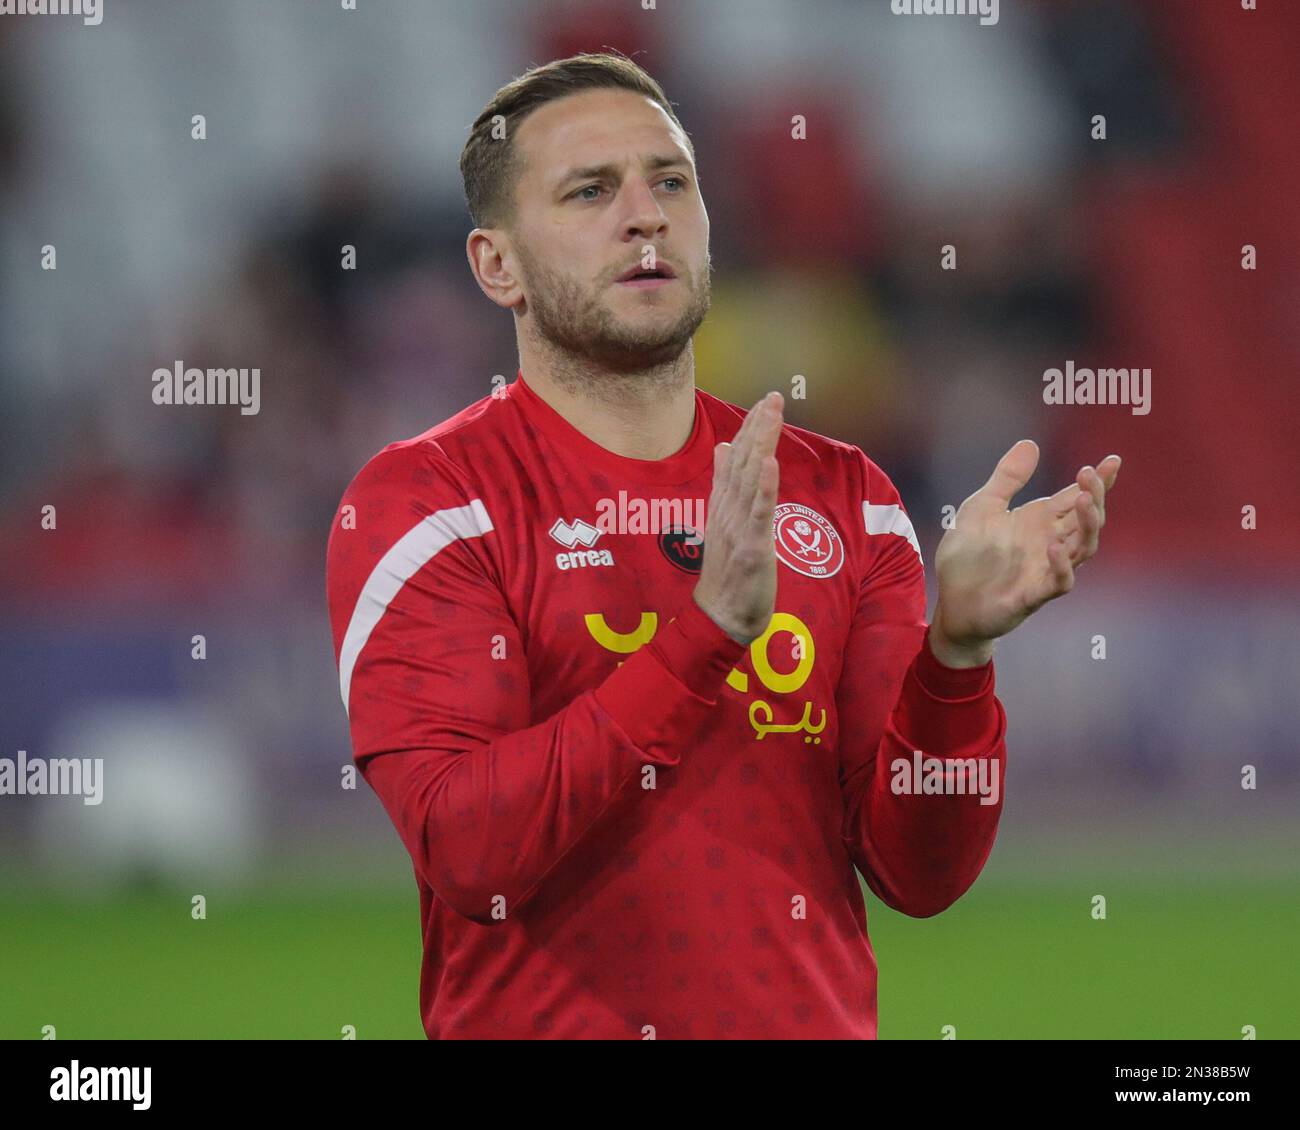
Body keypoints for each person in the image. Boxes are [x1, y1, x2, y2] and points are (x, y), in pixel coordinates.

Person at [325, 51, 1119, 1040]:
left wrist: (956, 657)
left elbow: (921, 874)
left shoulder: (846, 499)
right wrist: (703, 636)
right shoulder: (430, 502)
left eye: (670, 182)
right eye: (589, 190)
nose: (644, 214)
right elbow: (469, 850)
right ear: (499, 266)